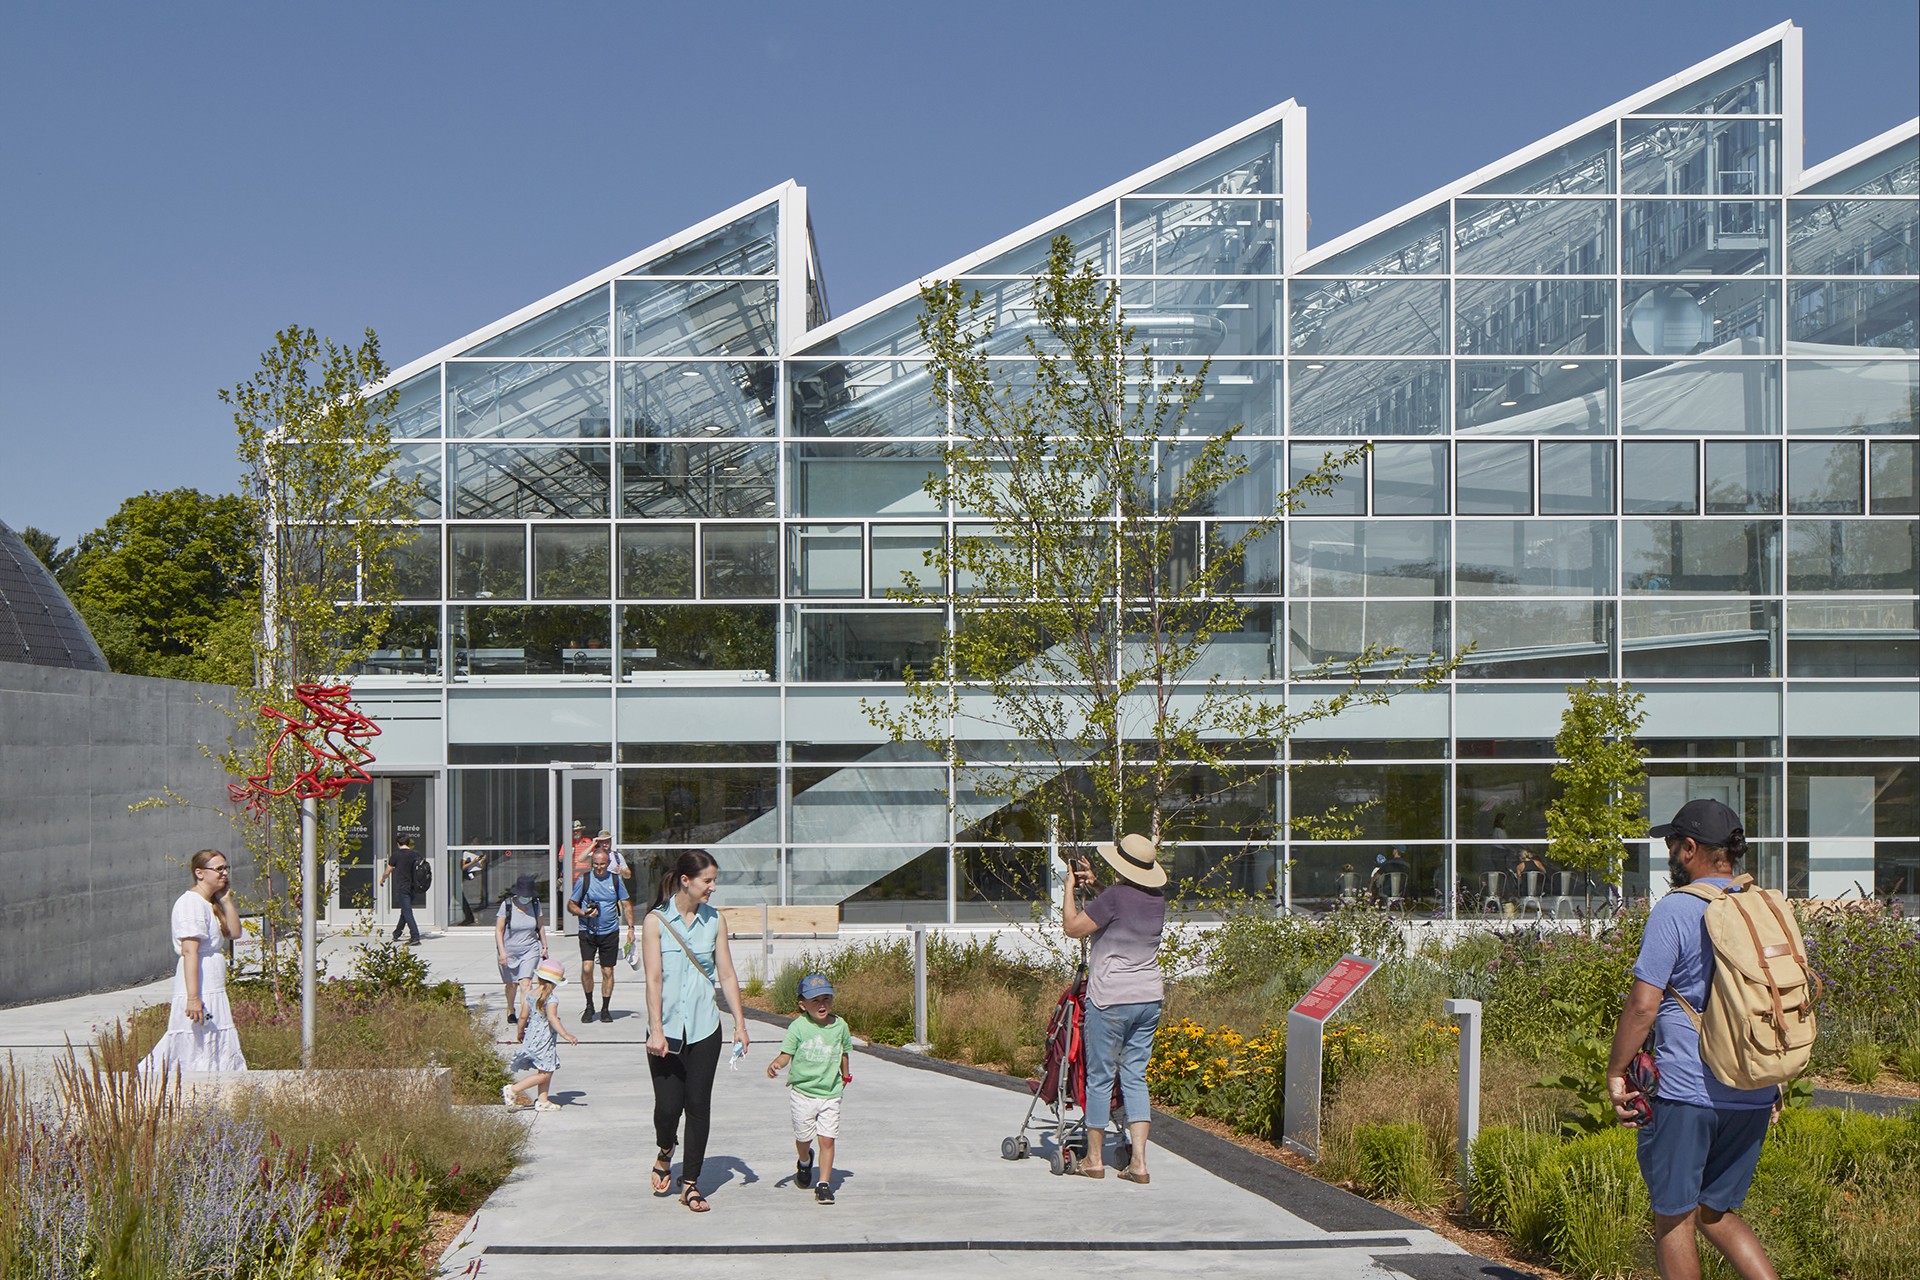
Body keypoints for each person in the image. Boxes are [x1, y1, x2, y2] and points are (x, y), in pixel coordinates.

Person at [1607, 799, 1781, 1280]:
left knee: (1675, 1216)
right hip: (1754, 1089)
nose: (1669, 854)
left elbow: (1643, 1006)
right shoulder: (1763, 907)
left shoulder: (1677, 909)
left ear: (1689, 848)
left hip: (1688, 1091)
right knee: (1713, 1212)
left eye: (1671, 844)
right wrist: (1776, 1078)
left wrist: (1616, 1070)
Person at [643, 850, 749, 1213]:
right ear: (686, 881)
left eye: (714, 880)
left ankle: (691, 1183)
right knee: (668, 1109)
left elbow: (727, 975)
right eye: (708, 880)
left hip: (705, 1028)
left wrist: (740, 1023)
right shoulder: (655, 922)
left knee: (698, 1105)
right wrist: (656, 1030)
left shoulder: (714, 920)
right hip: (667, 1031)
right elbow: (653, 979)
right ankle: (665, 1148)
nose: (713, 887)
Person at [1061, 832, 1165, 1184]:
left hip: (1111, 999)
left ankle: (1093, 1160)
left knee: (1100, 1077)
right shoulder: (1157, 899)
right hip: (1148, 999)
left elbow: (1073, 928)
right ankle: (1139, 1163)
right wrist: (1096, 885)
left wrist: (1069, 889)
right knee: (1135, 1076)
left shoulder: (1114, 897)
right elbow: (1122, 907)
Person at [140, 850, 247, 1074]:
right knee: (195, 1035)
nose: (224, 873)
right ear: (200, 873)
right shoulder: (191, 904)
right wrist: (193, 997)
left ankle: (214, 1075)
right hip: (199, 982)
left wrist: (226, 901)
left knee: (210, 1033)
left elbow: (235, 933)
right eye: (219, 869)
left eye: (226, 868)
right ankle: (166, 1077)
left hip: (211, 982)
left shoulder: (209, 903)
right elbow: (190, 952)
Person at [767, 973, 853, 1205]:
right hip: (803, 1093)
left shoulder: (840, 1026)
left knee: (827, 1140)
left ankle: (823, 1184)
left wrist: (846, 1076)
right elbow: (786, 1054)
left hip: (830, 1093)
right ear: (803, 1005)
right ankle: (804, 1161)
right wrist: (776, 1064)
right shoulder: (798, 1027)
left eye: (826, 998)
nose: (822, 1004)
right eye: (815, 1000)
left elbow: (844, 1053)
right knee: (803, 1139)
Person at [503, 958, 579, 1112]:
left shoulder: (530, 994)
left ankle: (543, 1100)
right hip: (545, 1039)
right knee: (545, 1073)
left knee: (545, 1069)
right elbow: (552, 1018)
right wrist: (566, 1035)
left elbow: (523, 1016)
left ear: (539, 978)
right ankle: (513, 1089)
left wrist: (520, 1032)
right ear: (555, 983)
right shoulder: (552, 999)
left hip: (532, 1035)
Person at [567, 847, 632, 1023]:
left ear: (608, 863)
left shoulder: (616, 880)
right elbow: (571, 904)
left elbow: (626, 904)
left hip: (609, 932)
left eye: (602, 864)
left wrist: (631, 929)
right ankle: (589, 1005)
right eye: (595, 864)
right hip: (588, 931)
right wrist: (583, 913)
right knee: (587, 968)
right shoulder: (585, 880)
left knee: (607, 971)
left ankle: (605, 1008)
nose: (599, 868)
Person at [495, 873, 547, 1026]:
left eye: (528, 895)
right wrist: (502, 952)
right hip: (509, 951)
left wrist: (545, 947)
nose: (526, 898)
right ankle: (511, 1009)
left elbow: (541, 927)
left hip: (530, 949)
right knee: (511, 985)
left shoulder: (535, 904)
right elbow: (499, 930)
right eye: (524, 895)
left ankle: (525, 1017)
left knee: (526, 983)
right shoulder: (507, 905)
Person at [378, 836, 423, 946]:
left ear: (398, 843)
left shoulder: (396, 855)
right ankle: (397, 933)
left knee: (407, 912)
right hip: (413, 886)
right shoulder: (416, 854)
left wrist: (382, 879)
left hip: (403, 887)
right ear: (408, 843)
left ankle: (415, 937)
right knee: (405, 910)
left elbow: (388, 871)